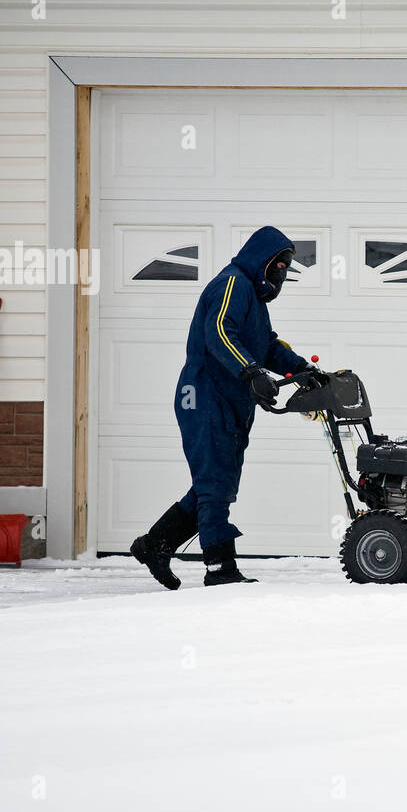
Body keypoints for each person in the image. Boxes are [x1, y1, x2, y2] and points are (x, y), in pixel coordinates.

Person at [132, 226, 309, 588]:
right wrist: (251, 371)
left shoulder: (254, 301)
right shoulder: (232, 284)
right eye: (279, 264)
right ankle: (220, 568)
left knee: (218, 485)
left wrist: (301, 369)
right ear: (262, 261)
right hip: (204, 396)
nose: (281, 273)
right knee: (214, 484)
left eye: (286, 267)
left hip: (231, 400)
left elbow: (267, 346)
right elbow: (219, 332)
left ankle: (155, 545)